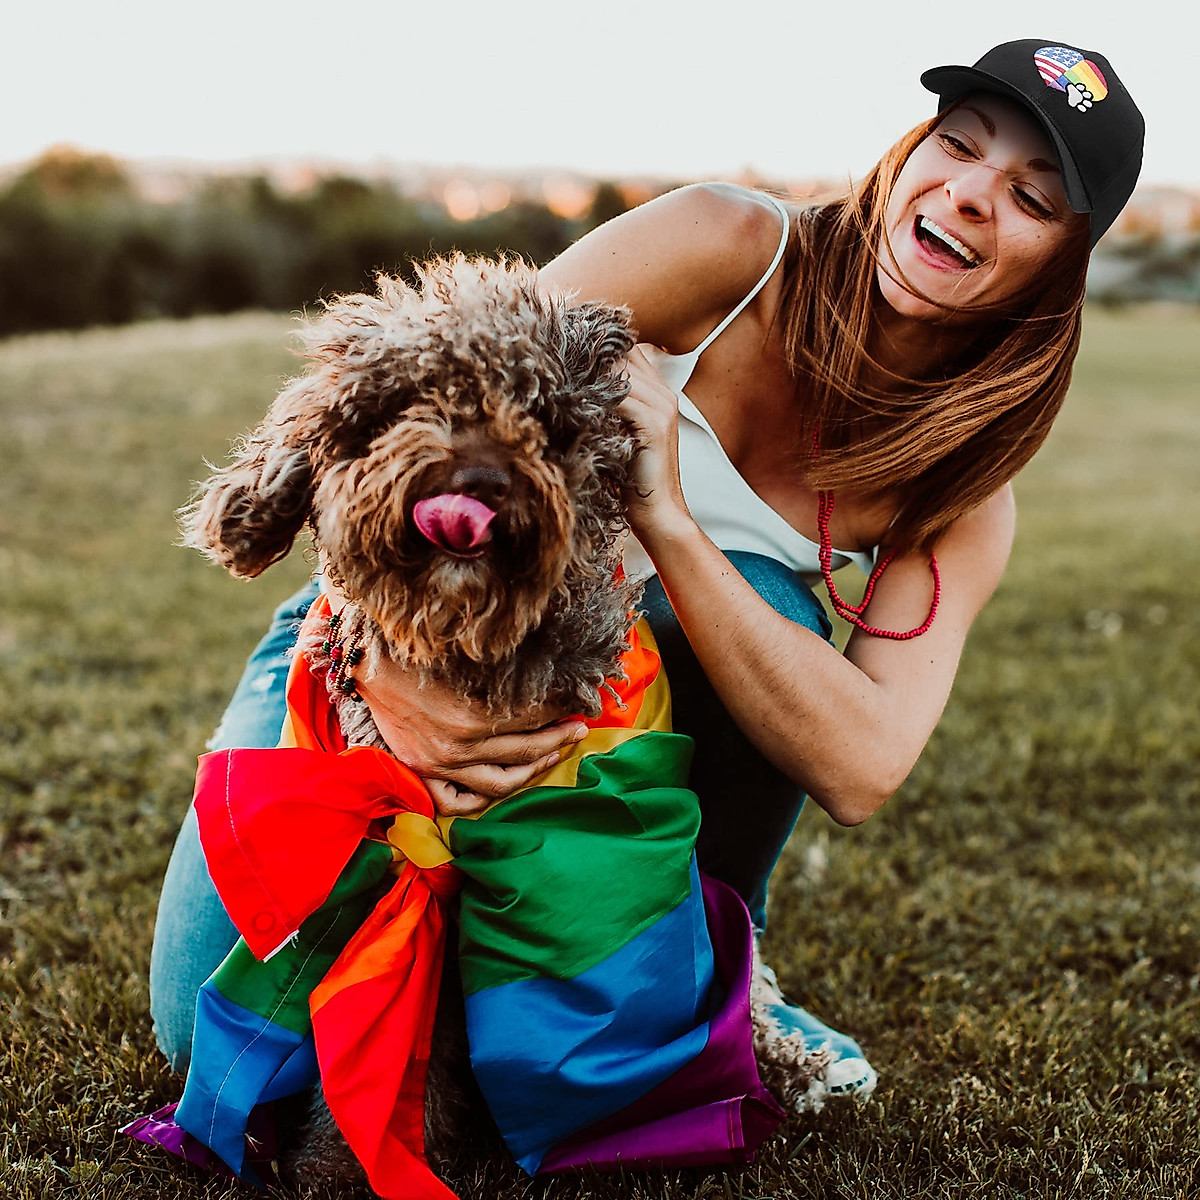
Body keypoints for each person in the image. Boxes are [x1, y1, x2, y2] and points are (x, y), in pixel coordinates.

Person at [150, 39, 1144, 1105]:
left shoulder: (964, 494)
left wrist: (665, 513)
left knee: (763, 605)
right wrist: (396, 692)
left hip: (627, 728)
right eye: (957, 145)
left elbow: (862, 766)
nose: (971, 195)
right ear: (910, 151)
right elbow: (431, 393)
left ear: (1063, 263)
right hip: (390, 635)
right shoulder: (729, 244)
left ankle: (712, 956)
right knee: (203, 1042)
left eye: (1033, 198)